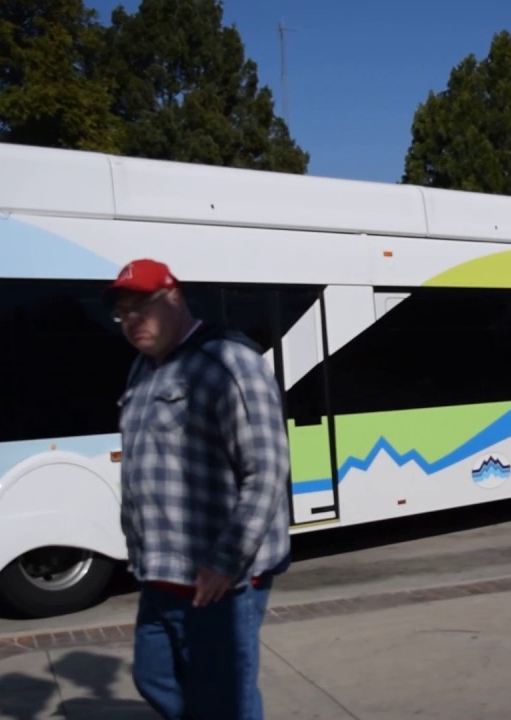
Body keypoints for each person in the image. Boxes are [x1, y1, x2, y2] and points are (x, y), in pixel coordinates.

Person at [105, 258, 291, 720]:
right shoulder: (143, 368)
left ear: (174, 297)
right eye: (122, 313)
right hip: (160, 573)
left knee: (223, 701)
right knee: (153, 676)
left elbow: (267, 469)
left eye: (141, 306)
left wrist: (226, 561)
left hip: (218, 581)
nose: (131, 320)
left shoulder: (229, 362)